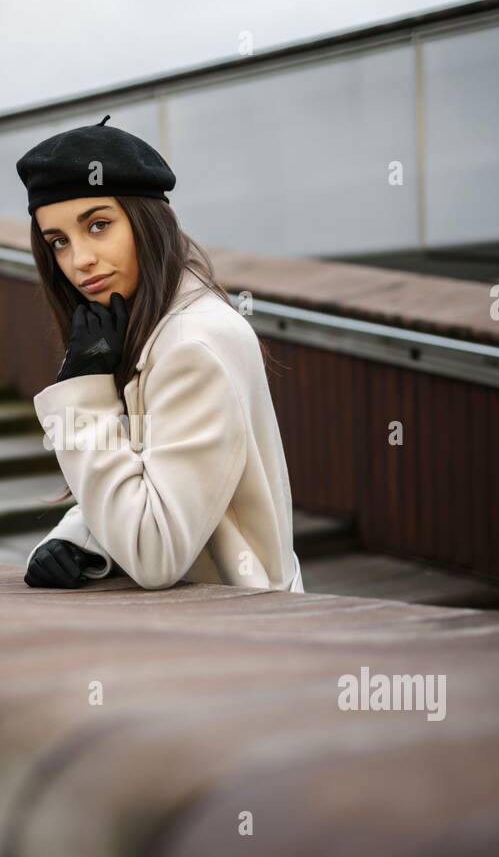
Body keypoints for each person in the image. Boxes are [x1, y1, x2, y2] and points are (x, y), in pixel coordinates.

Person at [16, 114, 303, 594]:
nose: (78, 259)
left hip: (241, 635)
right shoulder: (155, 324)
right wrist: (78, 537)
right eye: (59, 242)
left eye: (99, 225)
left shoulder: (191, 346)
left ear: (147, 221)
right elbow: (163, 479)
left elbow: (155, 552)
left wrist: (83, 396)